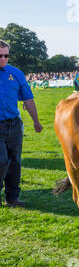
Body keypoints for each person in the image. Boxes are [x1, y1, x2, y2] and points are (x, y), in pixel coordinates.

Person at [0, 39, 43, 207]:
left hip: (14, 125)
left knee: (15, 162)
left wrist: (36, 121)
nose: (3, 58)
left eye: (6, 55)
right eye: (0, 55)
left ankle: (12, 198)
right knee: (2, 160)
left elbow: (28, 99)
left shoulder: (16, 73)